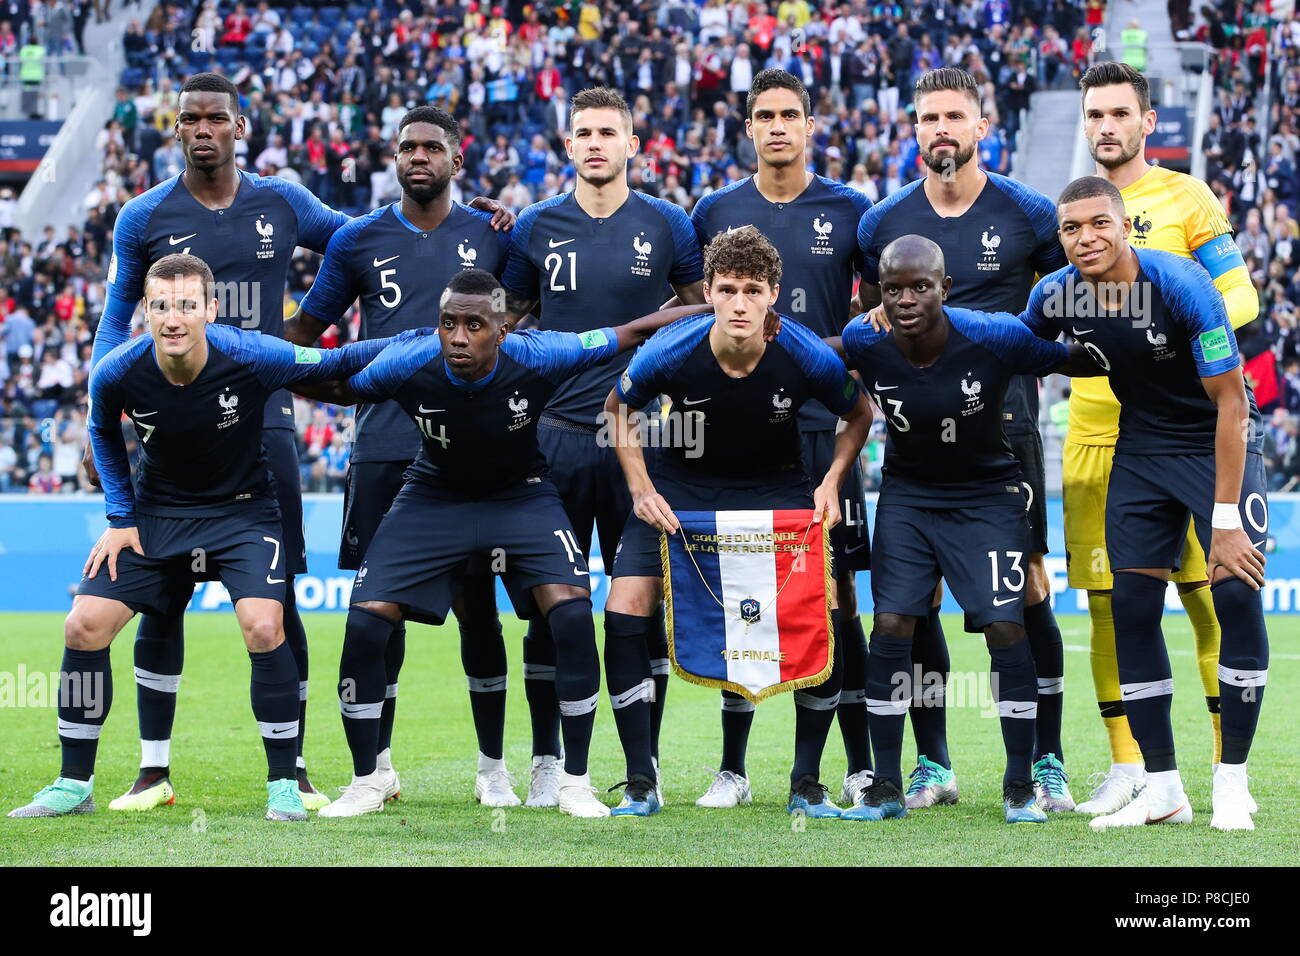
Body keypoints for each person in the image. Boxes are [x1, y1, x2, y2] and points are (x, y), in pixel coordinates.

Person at [88, 72, 512, 814]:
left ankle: (299, 768)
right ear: (176, 127)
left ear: (239, 125)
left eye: (216, 118)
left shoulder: (282, 201)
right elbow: (117, 313)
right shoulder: (142, 215)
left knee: (273, 600)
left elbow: (367, 235)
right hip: (175, 423)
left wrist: (465, 218)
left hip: (266, 422)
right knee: (161, 599)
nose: (203, 130)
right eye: (190, 120)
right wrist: (111, 385)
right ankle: (152, 772)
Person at [8, 254, 388, 820]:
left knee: (264, 624)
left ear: (211, 309)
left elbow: (337, 359)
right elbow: (100, 431)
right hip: (157, 516)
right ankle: (73, 782)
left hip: (244, 515)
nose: (173, 318)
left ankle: (284, 781)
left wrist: (420, 341)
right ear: (146, 310)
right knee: (82, 625)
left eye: (187, 305)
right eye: (160, 306)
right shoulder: (118, 369)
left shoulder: (252, 353)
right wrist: (120, 518)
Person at [309, 268, 700, 819]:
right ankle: (366, 781)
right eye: (449, 324)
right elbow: (332, 382)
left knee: (568, 615)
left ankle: (575, 781)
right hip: (432, 495)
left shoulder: (541, 354)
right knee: (366, 618)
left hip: (522, 497)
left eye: (474, 325)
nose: (459, 337)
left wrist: (710, 311)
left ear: (503, 329)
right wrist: (246, 361)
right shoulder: (409, 359)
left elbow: (632, 331)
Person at [856, 67, 1074, 812]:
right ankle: (933, 763)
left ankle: (1046, 761)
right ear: (913, 129)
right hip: (917, 441)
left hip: (1005, 434)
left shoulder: (1029, 214)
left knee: (1029, 597)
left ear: (983, 127)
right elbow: (868, 326)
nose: (940, 128)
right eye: (927, 117)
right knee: (909, 606)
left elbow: (1065, 309)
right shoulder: (882, 223)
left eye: (954, 115)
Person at [1022, 176, 1267, 832]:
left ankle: (1232, 781)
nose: (1086, 238)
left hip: (1219, 441)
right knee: (1130, 609)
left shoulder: (1183, 285)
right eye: (1071, 229)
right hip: (1143, 447)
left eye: (1099, 223)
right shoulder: (1055, 295)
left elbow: (1232, 402)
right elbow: (1021, 349)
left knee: (1236, 594)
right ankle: (1162, 788)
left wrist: (1222, 523)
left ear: (1126, 225)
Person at [285, 106, 513, 808]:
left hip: (476, 450)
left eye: (433, 147)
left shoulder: (495, 235)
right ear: (393, 157)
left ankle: (493, 768)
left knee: (481, 608)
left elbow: (528, 325)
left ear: (457, 159)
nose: (419, 156)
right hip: (384, 448)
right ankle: (376, 767)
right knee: (376, 611)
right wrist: (239, 343)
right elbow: (306, 332)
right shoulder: (358, 241)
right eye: (408, 147)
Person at [605, 227, 871, 817]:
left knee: (821, 617)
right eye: (727, 289)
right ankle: (640, 781)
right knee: (624, 608)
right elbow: (618, 407)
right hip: (679, 494)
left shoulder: (803, 351)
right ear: (708, 291)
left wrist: (830, 482)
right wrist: (640, 487)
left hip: (774, 493)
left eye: (753, 289)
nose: (740, 302)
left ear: (774, 292)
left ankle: (806, 781)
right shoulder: (672, 348)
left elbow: (859, 413)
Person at [839, 234, 1096, 823]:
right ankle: (883, 788)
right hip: (907, 495)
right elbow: (823, 361)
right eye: (895, 289)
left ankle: (1018, 787)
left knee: (1007, 628)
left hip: (988, 497)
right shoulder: (865, 339)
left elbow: (1068, 358)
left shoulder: (992, 334)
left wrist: (1149, 350)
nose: (906, 299)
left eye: (920, 287)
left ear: (945, 289)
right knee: (894, 622)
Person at [501, 87, 705, 811]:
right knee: (549, 608)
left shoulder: (668, 222)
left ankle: (642, 768)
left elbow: (700, 313)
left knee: (638, 607)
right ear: (567, 146)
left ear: (631, 144)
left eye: (607, 133)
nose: (594, 143)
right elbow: (507, 324)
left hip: (642, 445)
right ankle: (546, 761)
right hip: (551, 442)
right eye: (582, 132)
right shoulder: (534, 226)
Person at [1069, 63, 1258, 815]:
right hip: (1094, 434)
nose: (1106, 126)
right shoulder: (1072, 215)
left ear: (1148, 121)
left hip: (1179, 430)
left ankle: (1224, 770)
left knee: (1212, 600)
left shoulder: (1188, 197)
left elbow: (1238, 291)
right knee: (1112, 607)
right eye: (1094, 114)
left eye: (1120, 112)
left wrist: (1177, 326)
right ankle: (1135, 770)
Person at [688, 69, 875, 810]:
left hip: (824, 437)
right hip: (741, 438)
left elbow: (874, 314)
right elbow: (689, 310)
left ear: (809, 124)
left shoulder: (851, 210)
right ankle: (733, 768)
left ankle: (853, 764)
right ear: (748, 126)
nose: (776, 127)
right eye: (763, 115)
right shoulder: (715, 210)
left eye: (789, 114)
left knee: (839, 601)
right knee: (746, 599)